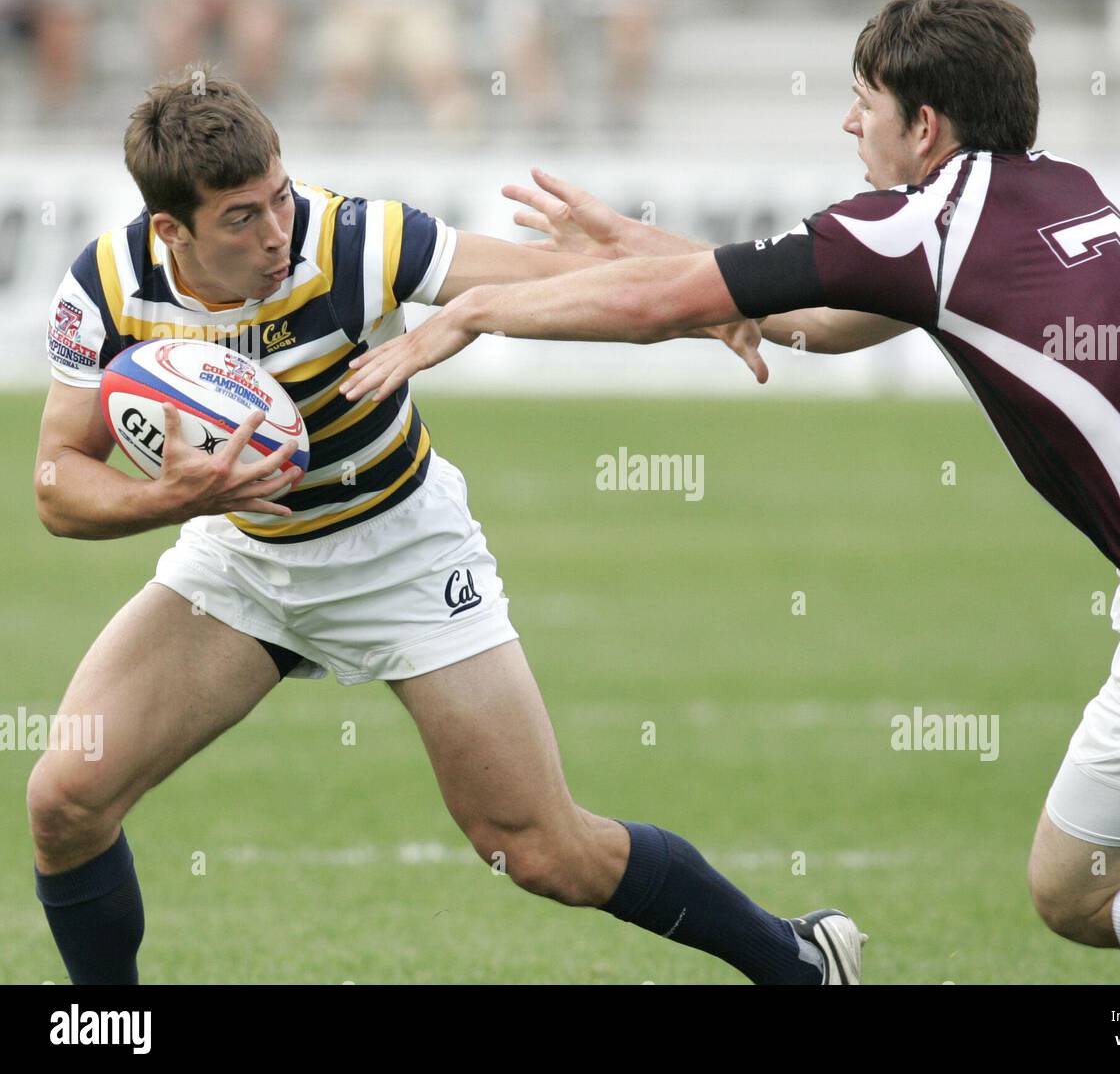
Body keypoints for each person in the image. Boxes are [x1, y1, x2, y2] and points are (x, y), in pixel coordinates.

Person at [343, 0, 1120, 973]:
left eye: (864, 100)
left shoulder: (925, 228)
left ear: (923, 126)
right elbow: (831, 322)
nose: (850, 121)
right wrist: (648, 251)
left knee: (1077, 891)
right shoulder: (1053, 188)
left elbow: (659, 307)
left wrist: (473, 310)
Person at [29, 68, 864, 985]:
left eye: (279, 196)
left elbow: (552, 283)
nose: (276, 234)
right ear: (170, 230)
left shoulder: (353, 238)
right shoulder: (106, 288)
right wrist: (175, 499)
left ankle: (798, 959)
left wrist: (710, 309)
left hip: (401, 550)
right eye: (240, 218)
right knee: (66, 800)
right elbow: (58, 483)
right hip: (244, 561)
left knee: (542, 850)